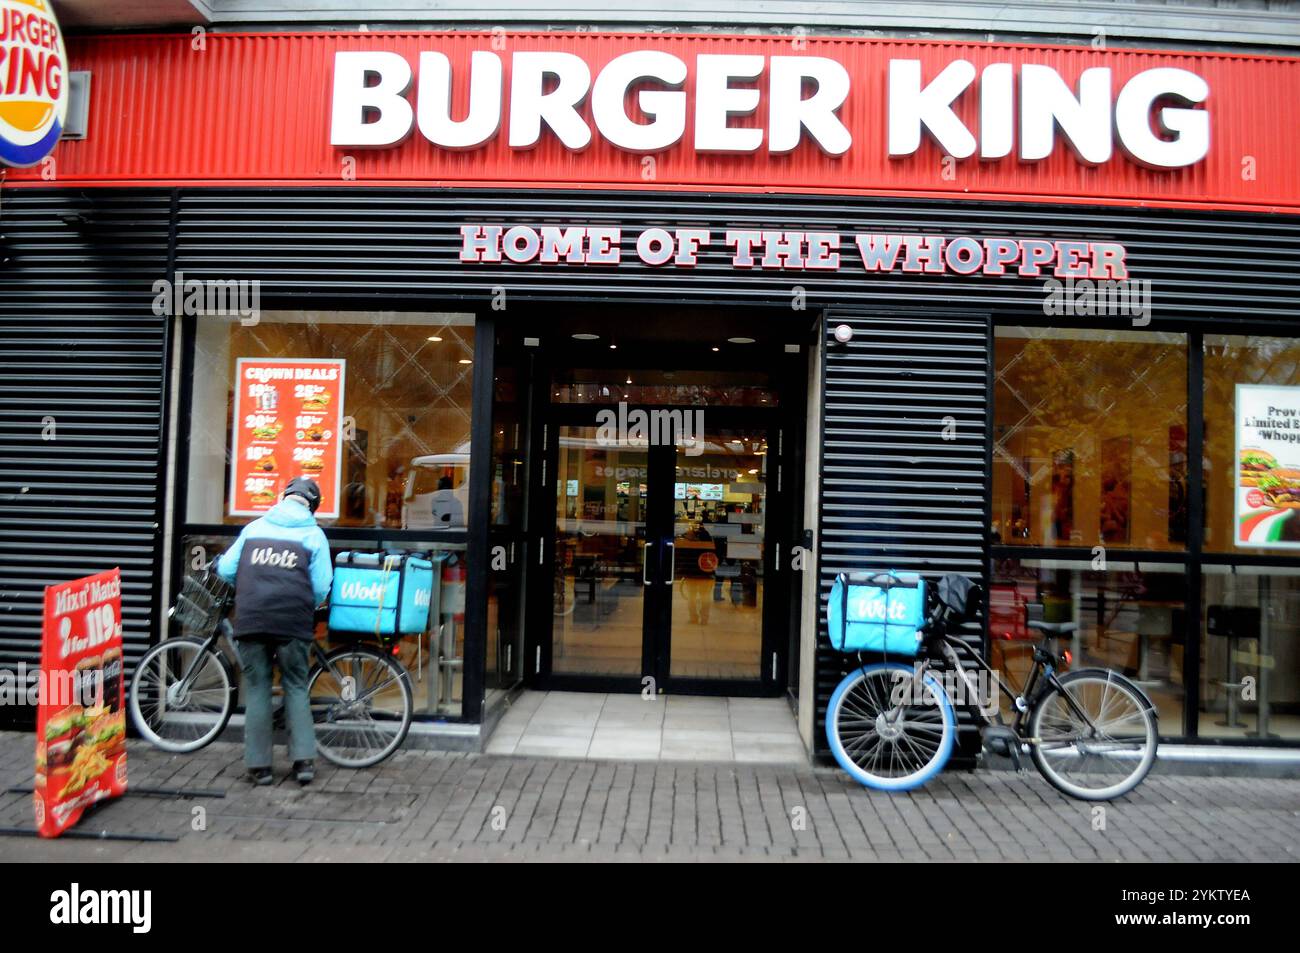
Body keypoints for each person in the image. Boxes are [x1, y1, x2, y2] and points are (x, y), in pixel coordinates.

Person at [216, 477, 333, 786]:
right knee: (296, 685)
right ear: (312, 505)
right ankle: (303, 764)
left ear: (283, 497)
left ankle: (259, 767)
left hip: (252, 619)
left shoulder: (253, 529)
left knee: (257, 688)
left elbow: (227, 569)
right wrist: (308, 602)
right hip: (293, 621)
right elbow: (321, 587)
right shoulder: (314, 536)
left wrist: (249, 590)